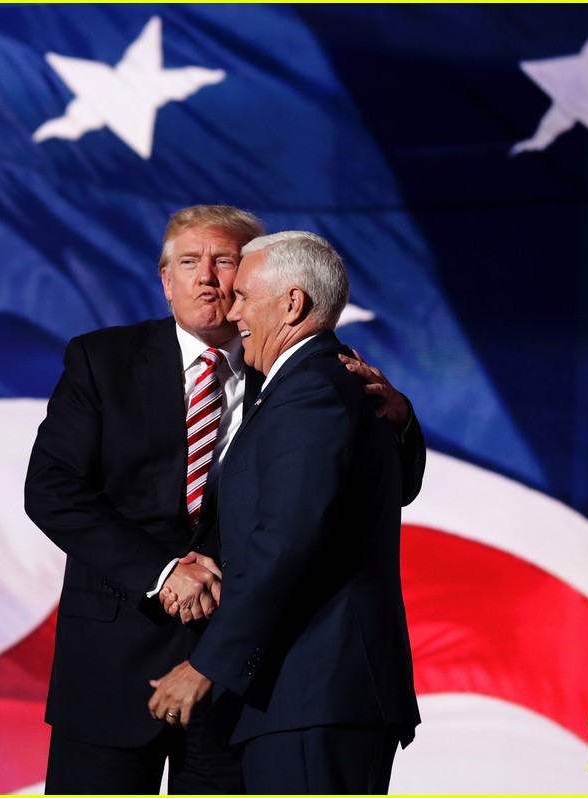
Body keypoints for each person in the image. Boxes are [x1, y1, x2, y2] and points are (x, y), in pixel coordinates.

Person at [24, 207, 423, 794]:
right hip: (114, 661)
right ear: (165, 280)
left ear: (255, 284)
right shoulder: (101, 359)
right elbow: (52, 490)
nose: (209, 280)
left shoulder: (300, 371)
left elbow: (379, 490)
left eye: (225, 263)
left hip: (244, 676)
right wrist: (160, 572)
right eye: (189, 262)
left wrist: (402, 420)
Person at [146, 230, 421, 794]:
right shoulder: (324, 383)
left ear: (292, 303)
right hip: (311, 698)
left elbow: (288, 541)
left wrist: (207, 666)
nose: (232, 307)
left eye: (244, 294)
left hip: (315, 692)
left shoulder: (312, 390)